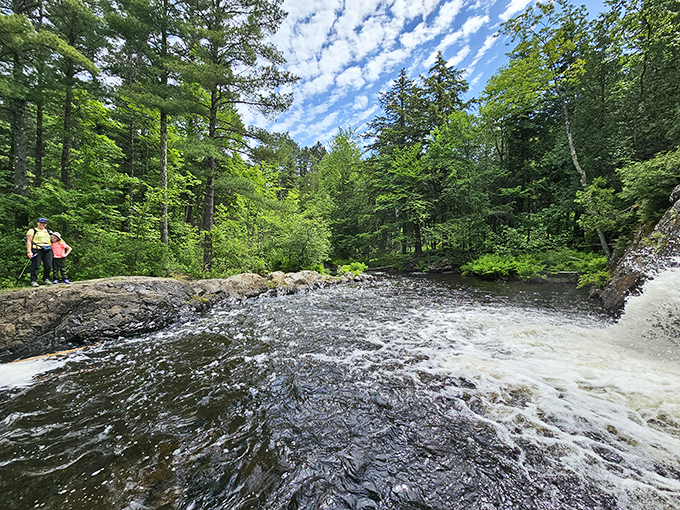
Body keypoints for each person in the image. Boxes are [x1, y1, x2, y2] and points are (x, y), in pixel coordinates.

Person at [26, 218, 53, 287]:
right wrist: (29, 251)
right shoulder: (32, 231)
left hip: (48, 249)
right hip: (37, 248)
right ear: (37, 223)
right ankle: (33, 280)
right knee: (36, 265)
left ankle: (46, 279)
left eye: (44, 223)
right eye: (41, 223)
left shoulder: (48, 231)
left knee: (48, 265)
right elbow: (29, 241)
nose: (42, 224)